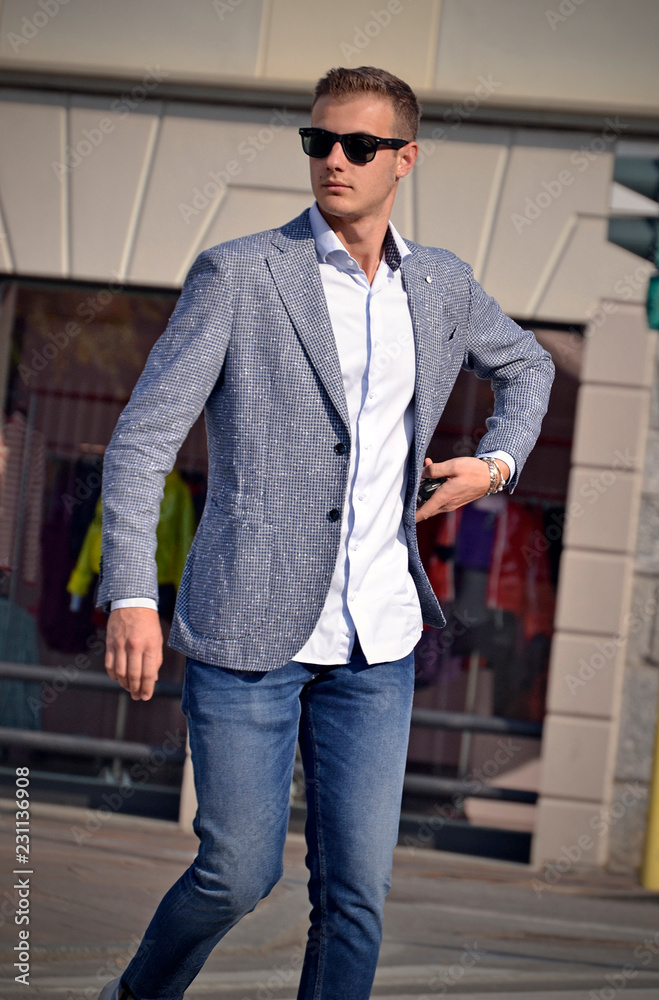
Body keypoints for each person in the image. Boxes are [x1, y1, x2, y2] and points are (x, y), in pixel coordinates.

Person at [97, 66, 554, 1000]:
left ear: (405, 160)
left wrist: (495, 466)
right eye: (319, 142)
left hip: (378, 640)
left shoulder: (440, 286)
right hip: (247, 632)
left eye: (358, 146)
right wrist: (133, 595)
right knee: (237, 872)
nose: (333, 161)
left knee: (355, 895)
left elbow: (530, 366)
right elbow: (142, 440)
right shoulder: (240, 274)